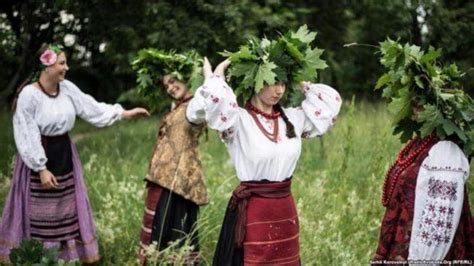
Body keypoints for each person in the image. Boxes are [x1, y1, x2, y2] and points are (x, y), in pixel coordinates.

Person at [186, 40, 342, 265]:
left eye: (283, 83)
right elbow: (196, 112)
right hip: (253, 213)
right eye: (272, 81)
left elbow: (330, 104)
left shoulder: (294, 118)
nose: (279, 90)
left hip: (285, 210)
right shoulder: (236, 119)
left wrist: (296, 77)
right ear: (256, 79)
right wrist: (218, 75)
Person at [0, 44, 149, 263]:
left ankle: (64, 259)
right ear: (46, 65)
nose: (66, 68)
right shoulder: (29, 96)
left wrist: (124, 113)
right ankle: (38, 258)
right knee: (41, 212)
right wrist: (41, 168)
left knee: (65, 210)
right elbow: (26, 132)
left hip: (64, 153)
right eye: (62, 63)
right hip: (38, 157)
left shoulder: (67, 88)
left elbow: (91, 108)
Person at [372, 41, 474, 263]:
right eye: (414, 102)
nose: (416, 108)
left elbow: (439, 224)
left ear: (438, 107)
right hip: (402, 245)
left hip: (424, 254)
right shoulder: (419, 143)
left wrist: (422, 261)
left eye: (424, 103)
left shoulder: (446, 153)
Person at [134, 50, 207, 265]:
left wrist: (206, 74)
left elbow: (204, 104)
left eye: (174, 81)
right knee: (159, 226)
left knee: (175, 228)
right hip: (163, 177)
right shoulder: (177, 106)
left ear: (186, 79)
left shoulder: (194, 107)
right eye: (166, 85)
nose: (170, 87)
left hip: (180, 180)